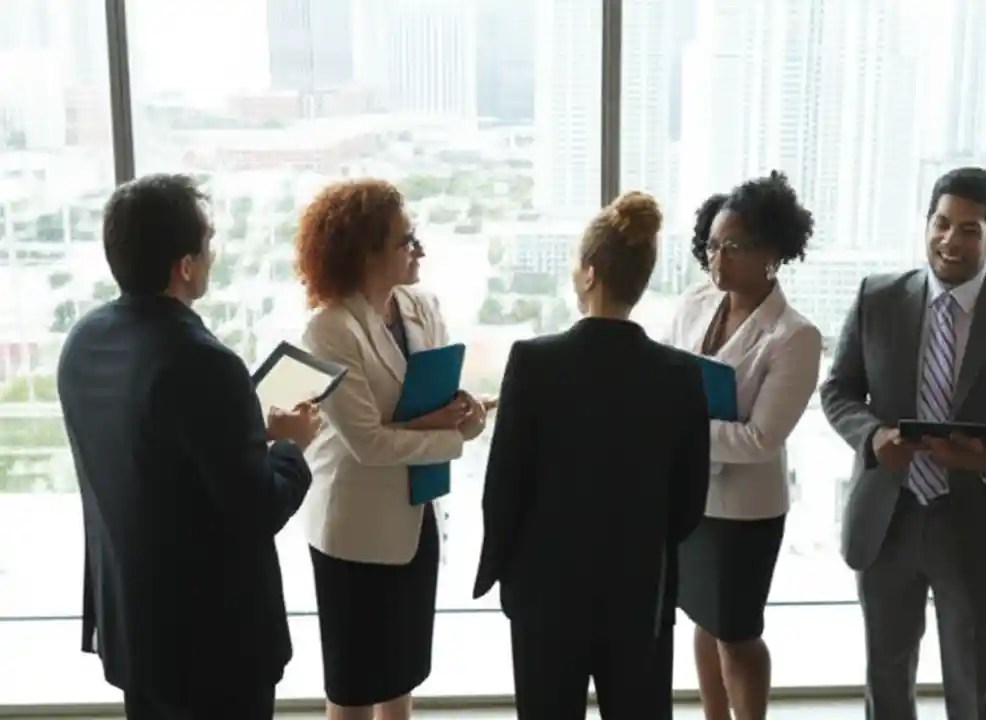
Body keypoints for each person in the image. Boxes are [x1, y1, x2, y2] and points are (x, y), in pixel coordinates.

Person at [57, 174, 319, 720]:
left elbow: (149, 451)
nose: (211, 256)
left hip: (134, 627)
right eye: (208, 245)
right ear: (185, 265)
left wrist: (247, 431)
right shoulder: (204, 360)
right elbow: (258, 508)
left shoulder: (85, 340)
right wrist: (291, 446)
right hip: (214, 646)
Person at [821, 167, 986, 720]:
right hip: (887, 518)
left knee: (974, 688)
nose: (951, 240)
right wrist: (873, 437)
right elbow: (838, 390)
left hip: (973, 522)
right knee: (885, 680)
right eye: (941, 223)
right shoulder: (876, 298)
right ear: (927, 223)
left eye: (969, 229)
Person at [473, 191, 710, 719]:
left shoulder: (534, 363)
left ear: (588, 274)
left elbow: (503, 489)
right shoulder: (680, 375)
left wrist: (502, 572)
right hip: (638, 591)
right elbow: (690, 502)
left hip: (545, 595)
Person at [296, 179, 488, 720]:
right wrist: (447, 431)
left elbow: (439, 395)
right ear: (366, 253)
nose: (418, 250)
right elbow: (370, 444)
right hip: (353, 532)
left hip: (412, 517)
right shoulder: (329, 330)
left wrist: (465, 414)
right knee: (355, 693)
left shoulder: (419, 306)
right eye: (406, 240)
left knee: (401, 680)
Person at [665, 171, 822, 720]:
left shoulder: (795, 336)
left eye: (734, 246)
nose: (719, 258)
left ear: (771, 253)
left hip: (744, 513)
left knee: (736, 631)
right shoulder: (693, 303)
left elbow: (760, 439)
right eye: (712, 244)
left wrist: (681, 427)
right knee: (703, 620)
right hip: (689, 499)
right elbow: (666, 376)